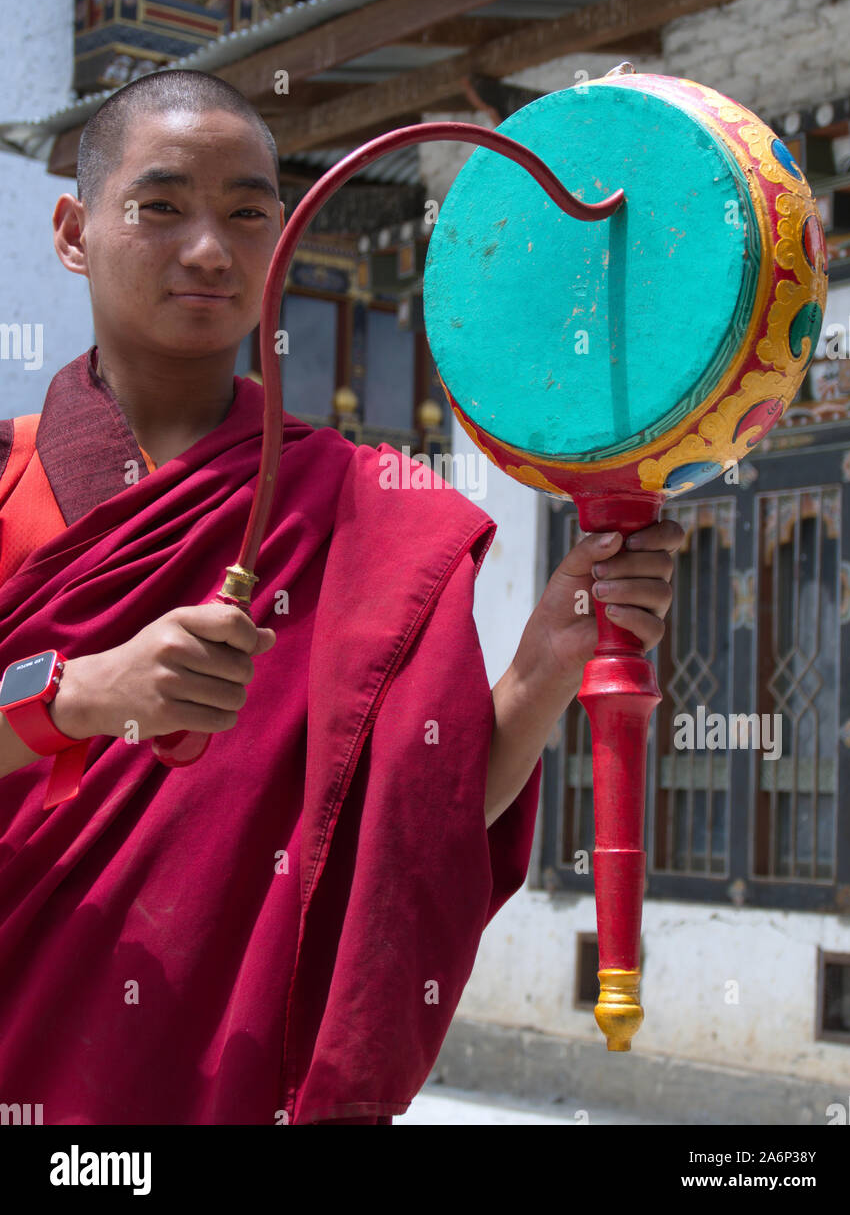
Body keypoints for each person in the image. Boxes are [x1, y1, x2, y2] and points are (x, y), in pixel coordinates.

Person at [0, 69, 683, 1124]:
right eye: (161, 205)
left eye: (246, 212)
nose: (207, 249)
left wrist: (546, 666)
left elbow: (416, 815)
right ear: (73, 230)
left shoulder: (358, 504)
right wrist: (83, 692)